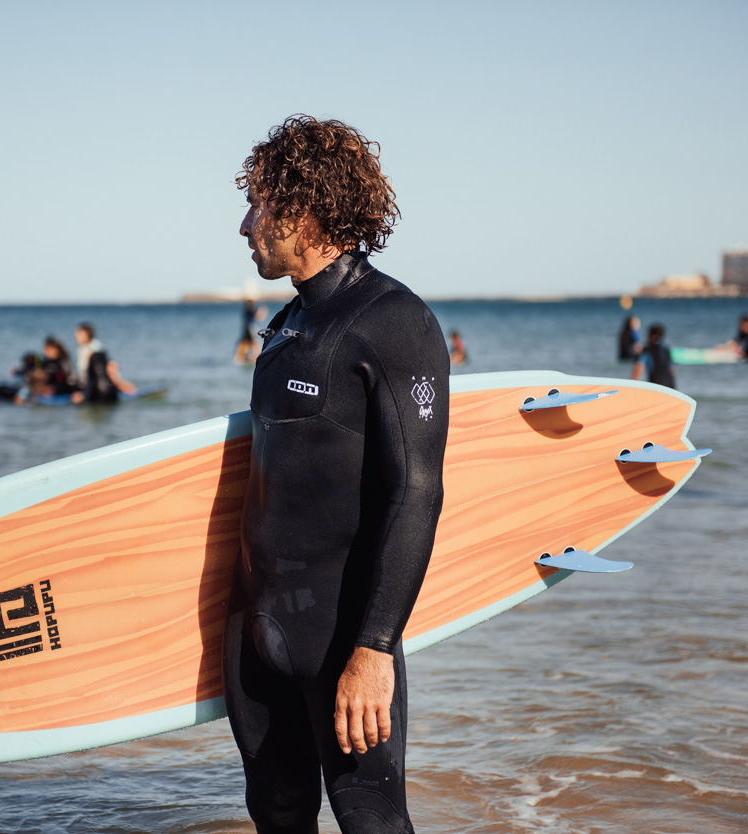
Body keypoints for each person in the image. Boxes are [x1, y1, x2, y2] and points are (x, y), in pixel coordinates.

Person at [226, 114, 449, 834]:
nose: (245, 224)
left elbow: (416, 490)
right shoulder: (286, 325)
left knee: (372, 818)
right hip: (256, 629)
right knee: (277, 811)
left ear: (303, 206)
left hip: (339, 629)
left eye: (258, 203)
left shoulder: (393, 321)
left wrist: (376, 649)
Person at [69, 323, 136, 404]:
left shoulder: (93, 349)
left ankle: (129, 390)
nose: (76, 337)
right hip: (94, 384)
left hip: (95, 385)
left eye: (79, 334)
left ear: (87, 335)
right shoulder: (85, 348)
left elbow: (108, 366)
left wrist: (83, 393)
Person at [632, 324, 675, 388]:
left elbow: (639, 367)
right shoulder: (666, 350)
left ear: (650, 335)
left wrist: (632, 386)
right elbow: (672, 371)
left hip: (656, 387)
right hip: (669, 388)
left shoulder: (647, 350)